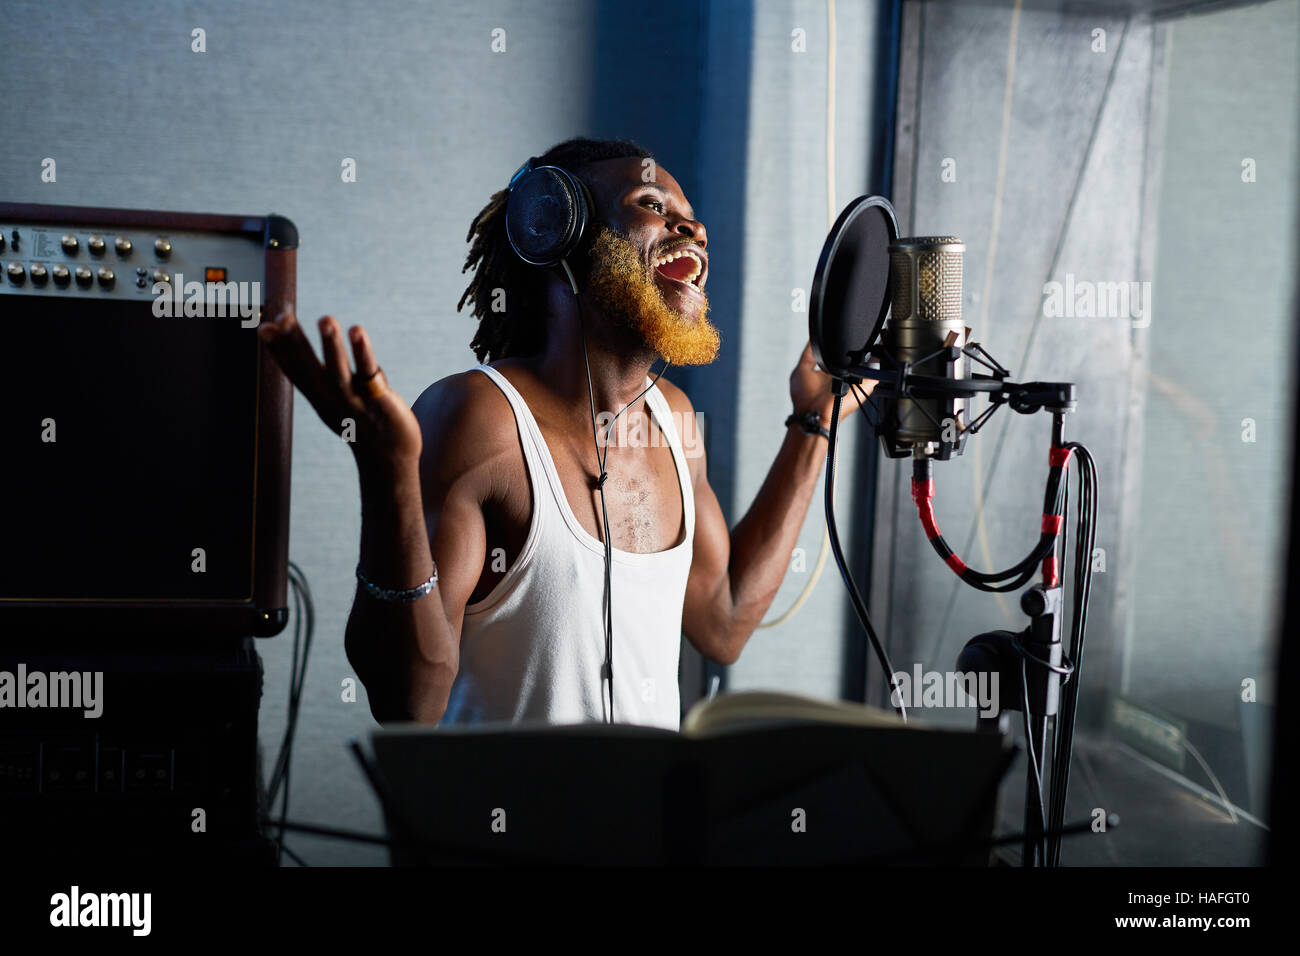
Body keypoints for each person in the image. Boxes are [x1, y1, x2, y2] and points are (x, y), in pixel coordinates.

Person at [258, 137, 868, 730]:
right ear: (556, 229)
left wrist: (813, 423)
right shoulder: (477, 418)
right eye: (653, 206)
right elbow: (408, 703)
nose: (694, 230)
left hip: (641, 834)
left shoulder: (675, 420)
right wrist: (385, 471)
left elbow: (725, 622)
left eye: (693, 220)